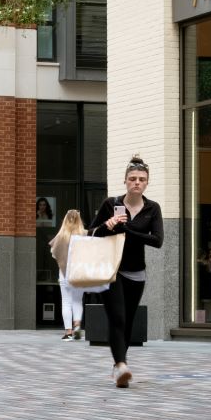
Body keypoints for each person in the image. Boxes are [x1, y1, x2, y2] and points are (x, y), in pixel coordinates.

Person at [88, 155, 163, 387]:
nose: (137, 182)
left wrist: (127, 229)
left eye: (141, 179)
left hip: (136, 273)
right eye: (132, 178)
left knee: (128, 323)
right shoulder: (111, 204)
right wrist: (107, 226)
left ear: (147, 183)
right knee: (117, 318)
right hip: (112, 271)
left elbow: (157, 240)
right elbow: (91, 234)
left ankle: (118, 365)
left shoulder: (152, 208)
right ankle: (121, 365)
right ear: (125, 181)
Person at [49, 208, 88, 339]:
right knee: (77, 301)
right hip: (79, 273)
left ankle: (68, 332)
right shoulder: (84, 234)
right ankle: (77, 325)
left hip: (64, 273)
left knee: (66, 302)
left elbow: (55, 255)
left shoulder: (60, 237)